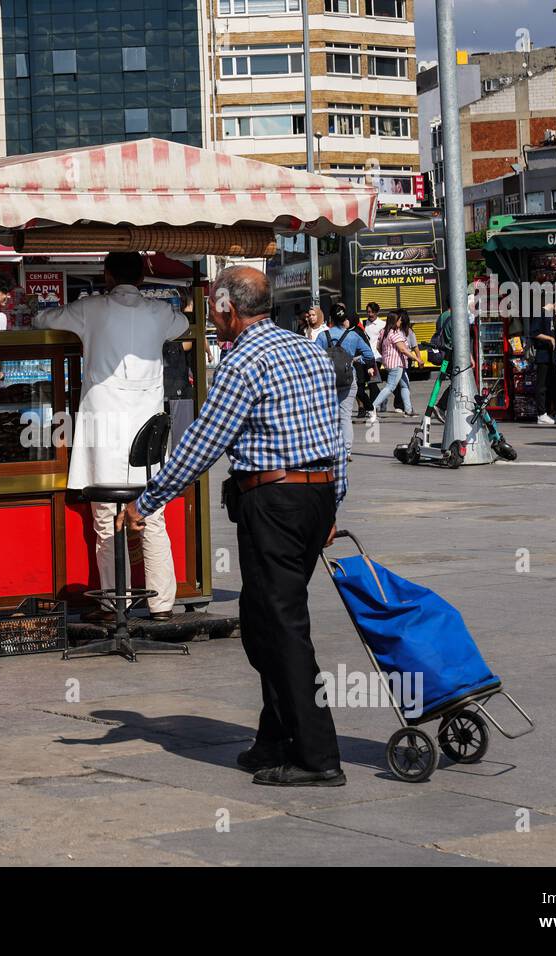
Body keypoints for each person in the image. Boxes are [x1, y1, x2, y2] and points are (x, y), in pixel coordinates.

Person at [119, 266, 346, 787]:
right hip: (312, 496)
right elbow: (338, 431)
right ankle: (274, 739)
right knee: (264, 618)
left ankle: (317, 756)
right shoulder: (307, 349)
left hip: (275, 501)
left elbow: (203, 442)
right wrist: (332, 502)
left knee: (282, 627)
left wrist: (148, 501)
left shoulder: (242, 360)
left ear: (226, 306)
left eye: (212, 305)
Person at [32, 252, 188, 622]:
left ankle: (113, 603)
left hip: (104, 430)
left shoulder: (91, 309)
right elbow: (183, 323)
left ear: (107, 274)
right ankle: (162, 605)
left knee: (106, 521)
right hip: (145, 435)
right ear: (143, 278)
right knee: (153, 517)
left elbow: (43, 319)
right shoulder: (160, 314)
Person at [320, 307, 376, 462]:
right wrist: (354, 360)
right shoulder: (353, 336)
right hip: (347, 379)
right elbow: (369, 355)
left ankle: (329, 450)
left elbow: (313, 356)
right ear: (345, 320)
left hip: (327, 380)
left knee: (327, 416)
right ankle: (347, 450)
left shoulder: (323, 336)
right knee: (345, 415)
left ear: (330, 321)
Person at [369, 312, 416, 419]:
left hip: (393, 363)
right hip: (397, 364)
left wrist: (386, 355)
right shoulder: (394, 334)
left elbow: (378, 347)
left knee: (405, 385)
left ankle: (408, 410)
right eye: (399, 320)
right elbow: (403, 349)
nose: (401, 322)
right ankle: (373, 407)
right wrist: (417, 359)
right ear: (395, 321)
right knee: (390, 387)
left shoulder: (383, 332)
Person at [531, 306, 556, 425]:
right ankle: (541, 414)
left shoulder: (552, 314)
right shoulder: (540, 313)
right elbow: (534, 332)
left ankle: (555, 411)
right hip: (543, 353)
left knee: (553, 384)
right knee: (541, 385)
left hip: (552, 354)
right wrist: (550, 338)